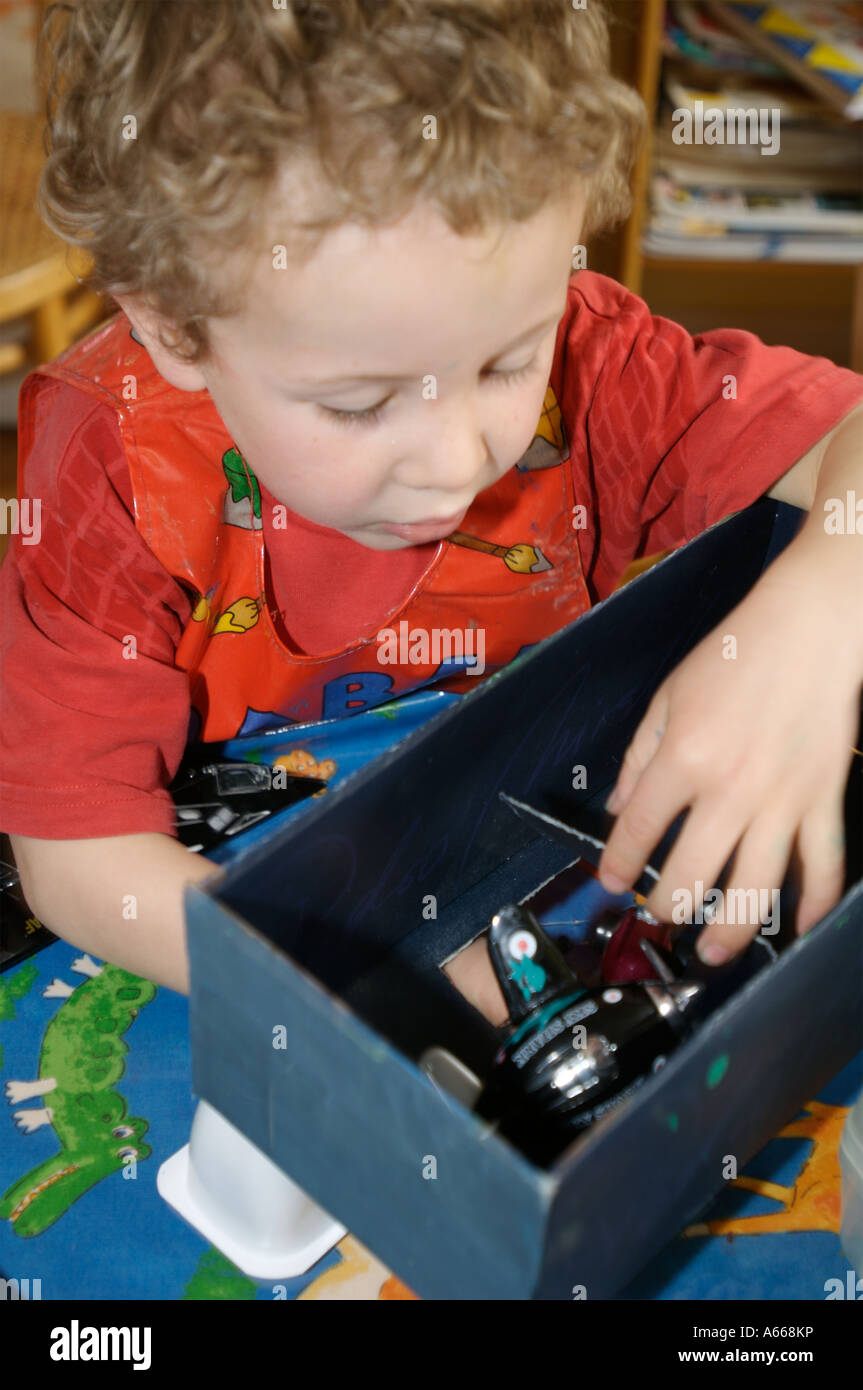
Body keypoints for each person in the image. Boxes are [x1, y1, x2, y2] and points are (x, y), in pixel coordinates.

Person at [2, 0, 861, 1027]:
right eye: (359, 403)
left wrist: (822, 609)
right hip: (208, 934)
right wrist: (377, 1001)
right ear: (171, 323)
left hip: (505, 858)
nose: (460, 460)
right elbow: (78, 852)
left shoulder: (598, 369)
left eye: (506, 360)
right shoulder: (109, 458)